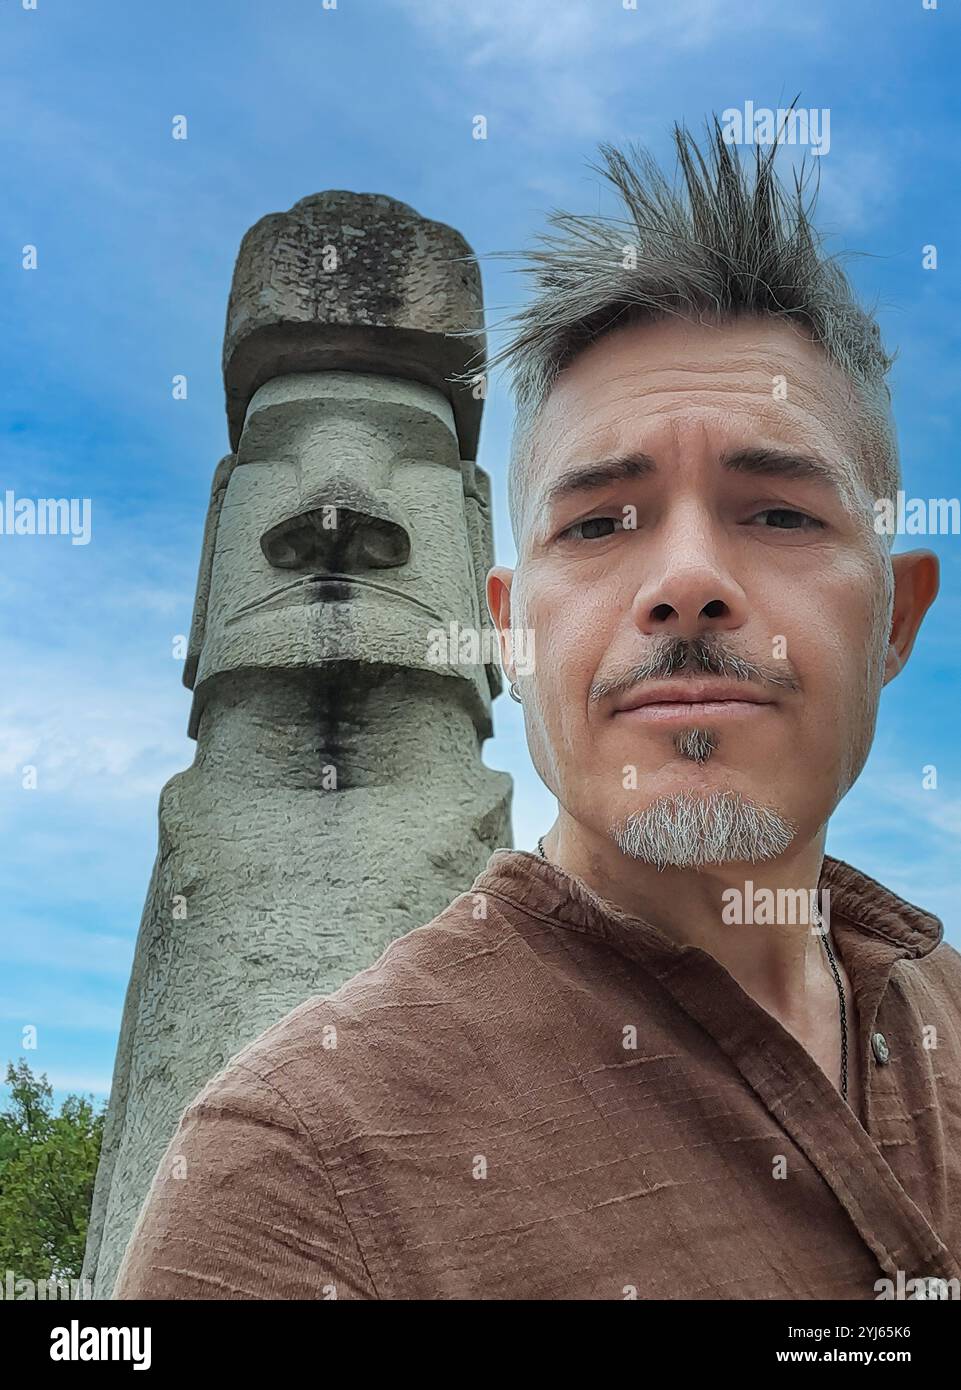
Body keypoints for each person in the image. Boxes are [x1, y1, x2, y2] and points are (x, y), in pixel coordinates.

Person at [113, 119, 959, 1301]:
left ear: (897, 619)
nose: (684, 583)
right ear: (506, 626)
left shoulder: (945, 1014)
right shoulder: (285, 1187)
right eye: (599, 522)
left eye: (778, 512)